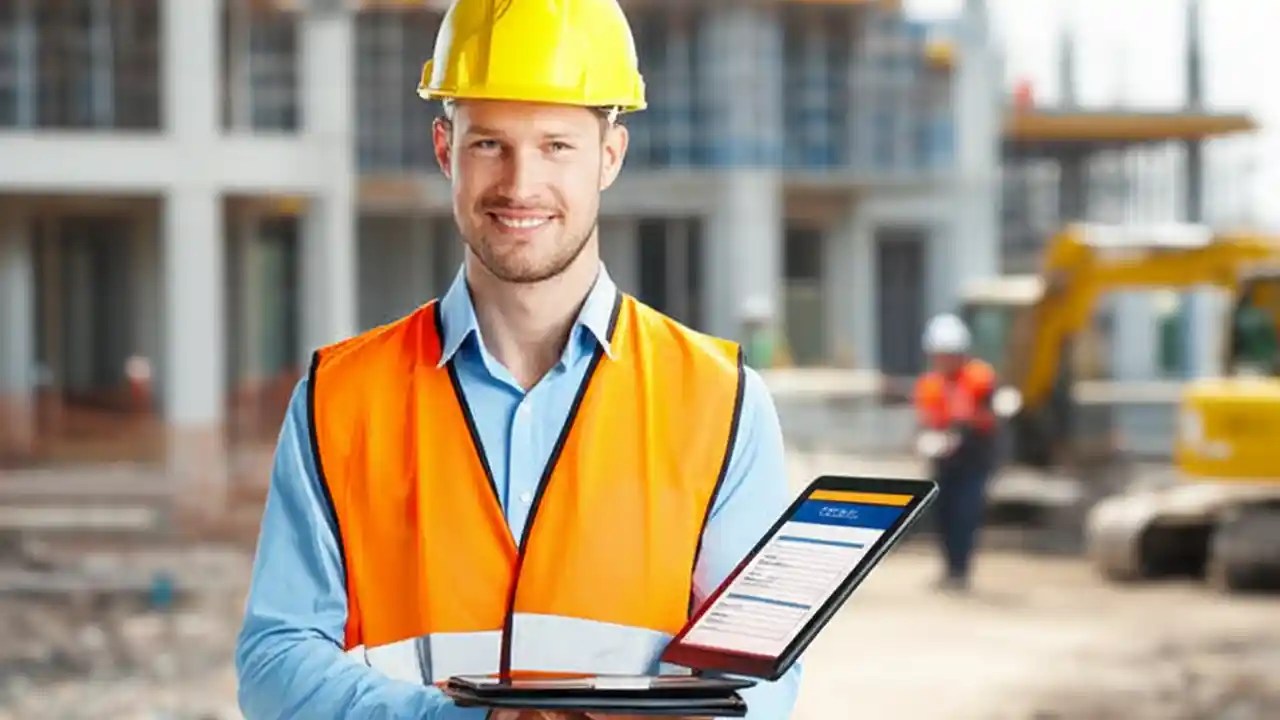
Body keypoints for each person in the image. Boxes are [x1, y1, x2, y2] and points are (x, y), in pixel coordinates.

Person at [233, 1, 802, 718]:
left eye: (556, 146)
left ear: (610, 156)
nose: (519, 184)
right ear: (445, 150)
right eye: (489, 145)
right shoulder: (338, 399)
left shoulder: (721, 403)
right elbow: (275, 661)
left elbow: (760, 691)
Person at [913, 313, 998, 592]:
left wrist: (960, 433)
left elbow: (987, 414)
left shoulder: (979, 377)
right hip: (942, 461)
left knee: (965, 513)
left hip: (973, 458)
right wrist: (927, 440)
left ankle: (960, 571)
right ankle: (949, 569)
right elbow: (924, 420)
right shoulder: (929, 384)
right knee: (944, 515)